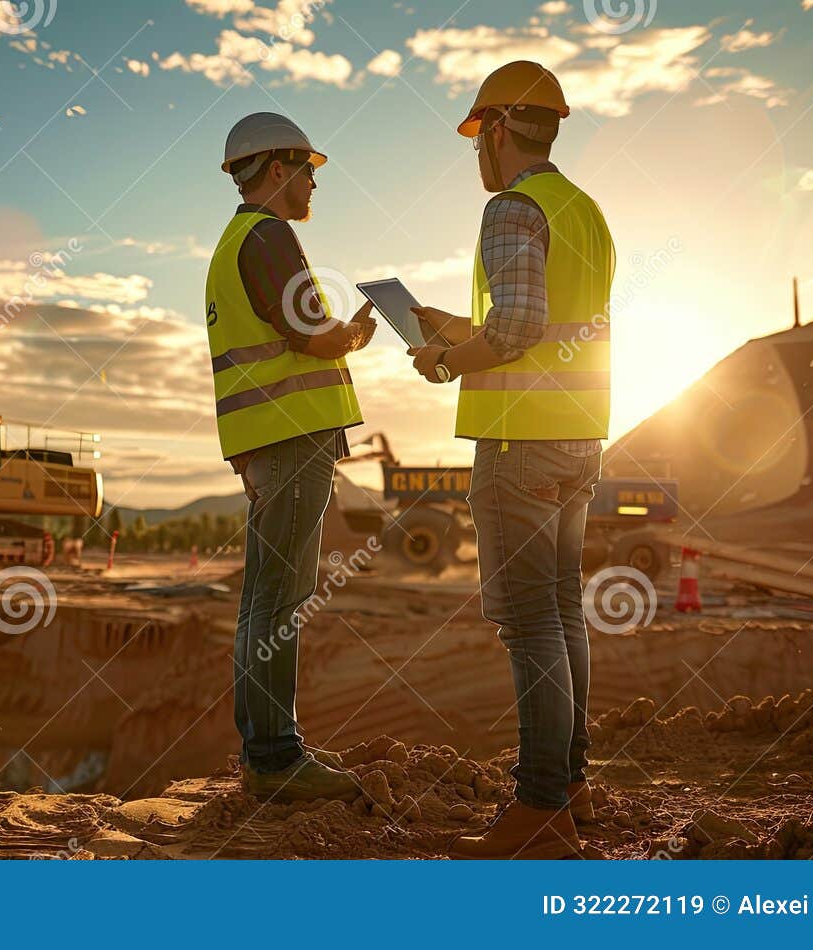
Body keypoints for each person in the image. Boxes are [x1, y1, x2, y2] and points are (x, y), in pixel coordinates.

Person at [405, 62, 615, 858]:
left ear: (496, 130)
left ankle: (538, 811)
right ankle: (570, 786)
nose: (477, 156)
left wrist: (445, 361)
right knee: (563, 615)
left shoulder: (509, 207)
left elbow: (519, 328)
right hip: (577, 433)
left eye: (477, 138)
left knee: (528, 624)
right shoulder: (583, 211)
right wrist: (453, 322)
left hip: (518, 442)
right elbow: (546, 319)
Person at [205, 112, 377, 802]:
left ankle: (265, 753)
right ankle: (276, 761)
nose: (314, 185)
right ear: (277, 171)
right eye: (308, 171)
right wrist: (356, 334)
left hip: (264, 443)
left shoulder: (234, 243)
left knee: (262, 603)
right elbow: (312, 337)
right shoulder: (270, 235)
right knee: (281, 603)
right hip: (290, 438)